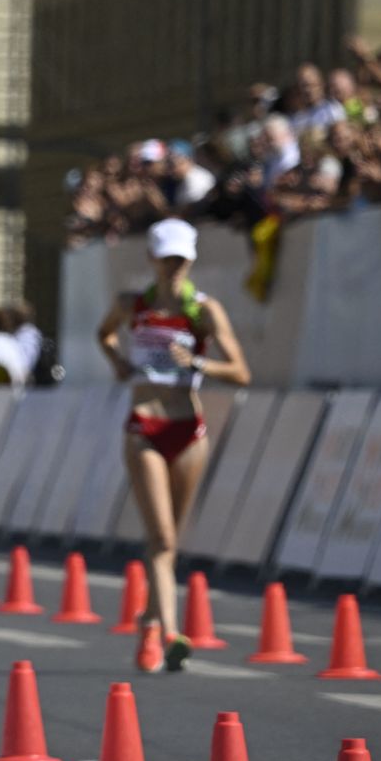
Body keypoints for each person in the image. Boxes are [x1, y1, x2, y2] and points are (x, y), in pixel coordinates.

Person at [96, 218, 249, 674]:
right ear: (152, 259)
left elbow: (241, 372)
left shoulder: (204, 311)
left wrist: (199, 362)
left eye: (181, 259)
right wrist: (118, 362)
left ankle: (148, 623)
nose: (174, 266)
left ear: (191, 260)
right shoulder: (132, 304)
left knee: (170, 544)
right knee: (160, 537)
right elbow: (104, 334)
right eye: (167, 259)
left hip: (188, 430)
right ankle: (170, 634)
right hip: (144, 427)